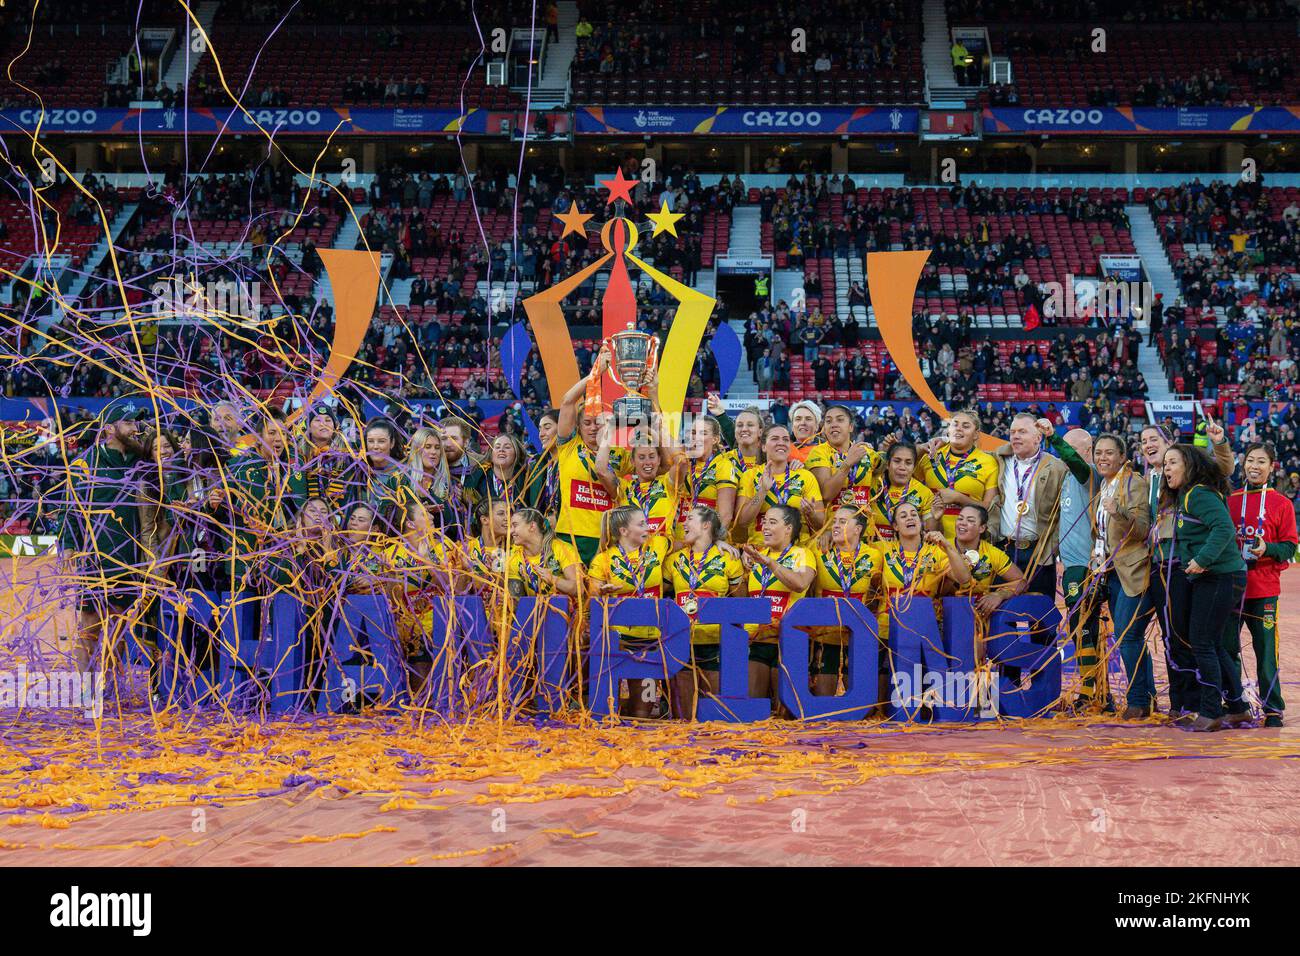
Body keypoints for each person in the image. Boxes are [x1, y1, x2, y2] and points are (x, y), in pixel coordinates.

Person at [1140, 418, 1233, 720]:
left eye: (1154, 439)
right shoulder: (1144, 479)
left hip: (1183, 564)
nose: (1148, 445)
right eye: (1143, 441)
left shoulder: (1190, 481)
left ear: (1171, 446)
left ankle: (1197, 702)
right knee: (1169, 637)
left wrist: (1218, 442)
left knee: (1186, 636)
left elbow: (1222, 469)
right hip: (1155, 566)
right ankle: (1179, 701)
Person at [1161, 444, 1249, 732]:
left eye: (1172, 462)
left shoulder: (1198, 494)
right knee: (1210, 642)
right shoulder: (1189, 494)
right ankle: (1238, 707)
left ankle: (1211, 712)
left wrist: (1202, 559)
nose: (1166, 469)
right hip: (1215, 576)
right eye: (1165, 465)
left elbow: (1224, 528)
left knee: (1201, 642)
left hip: (1219, 576)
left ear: (1189, 464)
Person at [60, 399, 150, 677]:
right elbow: (70, 510)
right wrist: (68, 548)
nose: (135, 428)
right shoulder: (86, 464)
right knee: (89, 626)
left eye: (136, 422)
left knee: (120, 628)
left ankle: (108, 687)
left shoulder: (142, 462)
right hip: (95, 559)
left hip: (129, 560)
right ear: (110, 429)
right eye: (128, 422)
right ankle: (85, 687)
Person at [1225, 442, 1297, 727]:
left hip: (1264, 589)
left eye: (1261, 462)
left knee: (1266, 651)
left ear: (1272, 466)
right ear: (1243, 464)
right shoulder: (1230, 499)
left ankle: (1273, 709)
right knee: (1227, 648)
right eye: (1250, 460)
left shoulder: (1282, 504)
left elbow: (1290, 547)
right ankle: (1232, 702)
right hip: (1231, 588)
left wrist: (1267, 549)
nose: (1254, 466)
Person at [872, 501, 973, 699]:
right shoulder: (881, 549)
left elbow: (964, 579)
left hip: (926, 630)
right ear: (894, 526)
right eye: (903, 516)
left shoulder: (935, 552)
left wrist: (948, 547)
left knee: (922, 695)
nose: (910, 518)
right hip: (887, 629)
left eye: (914, 514)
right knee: (884, 701)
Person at [1089, 433, 1156, 718]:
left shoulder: (1134, 483)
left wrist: (1118, 513)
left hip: (1134, 570)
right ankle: (1146, 697)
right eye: (1098, 453)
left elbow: (1142, 529)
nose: (1103, 458)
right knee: (1128, 638)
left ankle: (1140, 701)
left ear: (1122, 457)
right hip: (1112, 573)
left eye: (1109, 453)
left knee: (1128, 636)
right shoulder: (1102, 485)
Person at [588, 506, 671, 718]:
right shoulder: (603, 560)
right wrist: (602, 592)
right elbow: (592, 596)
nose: (648, 528)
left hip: (651, 640)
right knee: (610, 708)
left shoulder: (658, 544)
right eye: (641, 524)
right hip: (618, 641)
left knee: (642, 712)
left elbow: (692, 544)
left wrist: (721, 543)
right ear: (624, 531)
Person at [666, 505, 744, 718]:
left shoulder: (729, 558)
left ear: (706, 525)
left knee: (713, 711)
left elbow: (742, 602)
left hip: (715, 640)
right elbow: (660, 593)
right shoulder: (673, 560)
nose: (684, 522)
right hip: (682, 639)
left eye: (690, 518)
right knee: (684, 712)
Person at [553, 346, 628, 564]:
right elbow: (567, 401)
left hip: (608, 536)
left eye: (599, 422)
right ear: (577, 426)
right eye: (587, 422)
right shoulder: (568, 445)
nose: (594, 427)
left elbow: (655, 466)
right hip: (570, 535)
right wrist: (595, 374)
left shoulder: (618, 452)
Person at [741, 505, 817, 710]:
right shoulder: (755, 557)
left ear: (788, 528)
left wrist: (770, 563)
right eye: (764, 521)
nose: (765, 526)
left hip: (788, 642)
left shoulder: (802, 554)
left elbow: (800, 583)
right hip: (756, 640)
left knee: (785, 712)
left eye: (772, 522)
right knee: (753, 710)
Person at [811, 505, 879, 698]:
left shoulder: (875, 556)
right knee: (823, 705)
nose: (836, 526)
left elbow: (876, 593)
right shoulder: (818, 550)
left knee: (858, 705)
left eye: (843, 521)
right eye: (834, 522)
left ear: (858, 529)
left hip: (857, 638)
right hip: (825, 638)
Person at [735, 424, 824, 546]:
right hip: (761, 550)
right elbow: (743, 521)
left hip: (798, 552)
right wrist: (762, 491)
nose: (781, 443)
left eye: (786, 439)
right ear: (763, 446)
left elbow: (821, 524)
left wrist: (811, 513)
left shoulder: (805, 476)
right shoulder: (750, 476)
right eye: (775, 438)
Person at [917, 409, 999, 540]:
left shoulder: (988, 462)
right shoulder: (931, 455)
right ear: (949, 429)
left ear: (976, 434)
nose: (959, 429)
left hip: (969, 543)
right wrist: (920, 448)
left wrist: (960, 498)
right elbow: (905, 484)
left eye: (966, 426)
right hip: (931, 539)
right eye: (955, 424)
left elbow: (990, 508)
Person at [948, 504, 1023, 615]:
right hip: (943, 611)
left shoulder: (992, 553)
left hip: (977, 614)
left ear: (982, 528)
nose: (962, 523)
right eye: (960, 518)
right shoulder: (940, 547)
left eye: (970, 520)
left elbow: (1021, 581)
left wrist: (999, 595)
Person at [807, 405, 880, 511]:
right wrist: (847, 464)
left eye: (840, 420)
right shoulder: (818, 452)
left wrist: (891, 449)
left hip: (865, 524)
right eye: (828, 421)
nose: (833, 425)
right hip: (833, 524)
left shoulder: (866, 452)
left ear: (851, 427)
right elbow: (826, 495)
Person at [675, 415, 737, 533]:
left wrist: (714, 540)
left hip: (707, 538)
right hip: (682, 535)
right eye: (693, 433)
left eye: (703, 433)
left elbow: (726, 515)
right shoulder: (684, 461)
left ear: (715, 439)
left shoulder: (723, 465)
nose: (696, 438)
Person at [874, 440, 935, 541]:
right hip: (874, 551)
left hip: (906, 553)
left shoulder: (924, 493)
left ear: (914, 467)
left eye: (908, 463)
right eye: (897, 461)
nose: (902, 467)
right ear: (888, 464)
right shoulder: (874, 484)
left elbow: (930, 535)